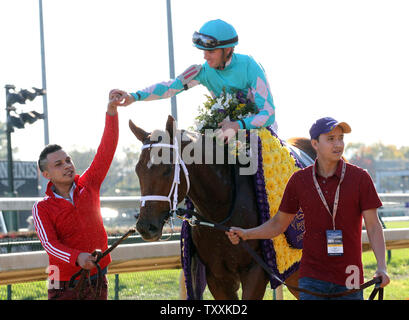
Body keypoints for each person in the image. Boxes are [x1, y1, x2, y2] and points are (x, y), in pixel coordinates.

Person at [226, 117, 390, 300]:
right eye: (330, 139)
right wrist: (246, 234)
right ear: (315, 143)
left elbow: (374, 226)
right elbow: (278, 224)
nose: (338, 144)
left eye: (340, 138)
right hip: (312, 278)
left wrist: (382, 267)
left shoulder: (360, 178)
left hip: (350, 276)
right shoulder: (299, 180)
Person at [110, 19, 276, 143]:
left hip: (259, 133)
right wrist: (134, 96)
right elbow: (169, 87)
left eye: (211, 51)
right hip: (224, 131)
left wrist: (237, 125)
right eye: (203, 51)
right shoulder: (202, 71)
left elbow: (268, 113)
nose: (205, 56)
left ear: (228, 50)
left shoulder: (250, 66)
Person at [32, 95, 122, 300]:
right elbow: (49, 245)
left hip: (97, 276)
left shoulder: (89, 184)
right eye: (58, 164)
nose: (67, 165)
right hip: (61, 283)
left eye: (68, 160)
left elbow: (106, 150)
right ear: (46, 175)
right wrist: (77, 257)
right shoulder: (41, 208)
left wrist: (111, 113)